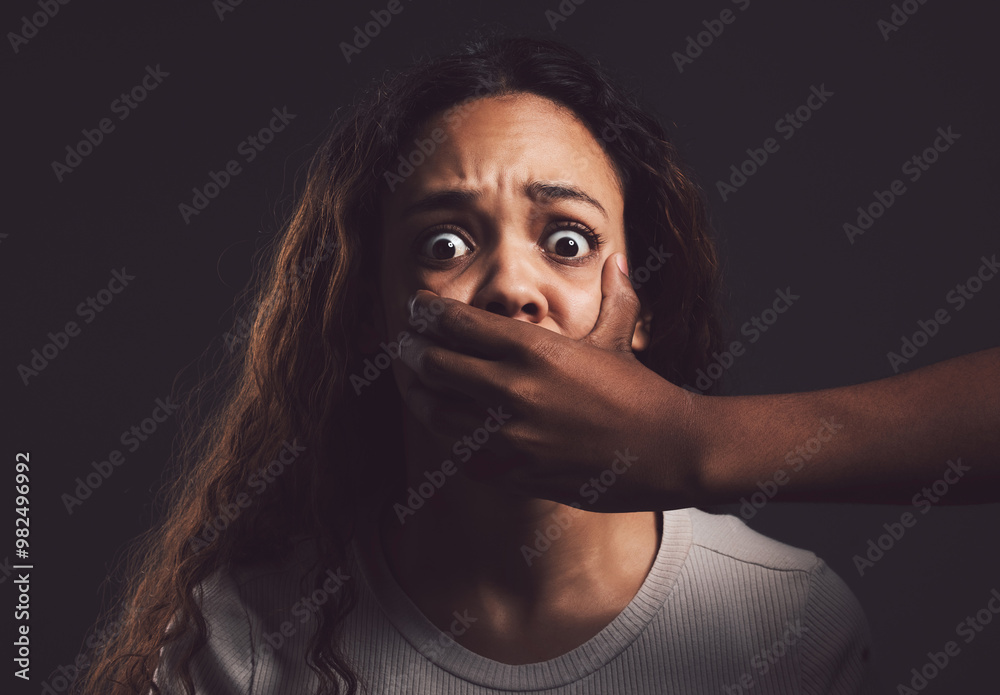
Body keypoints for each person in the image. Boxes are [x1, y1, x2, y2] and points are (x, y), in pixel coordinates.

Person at [76, 35, 877, 694]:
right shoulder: (242, 638)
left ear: (647, 305)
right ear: (367, 316)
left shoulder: (792, 623)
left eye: (567, 241)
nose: (511, 288)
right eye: (445, 244)